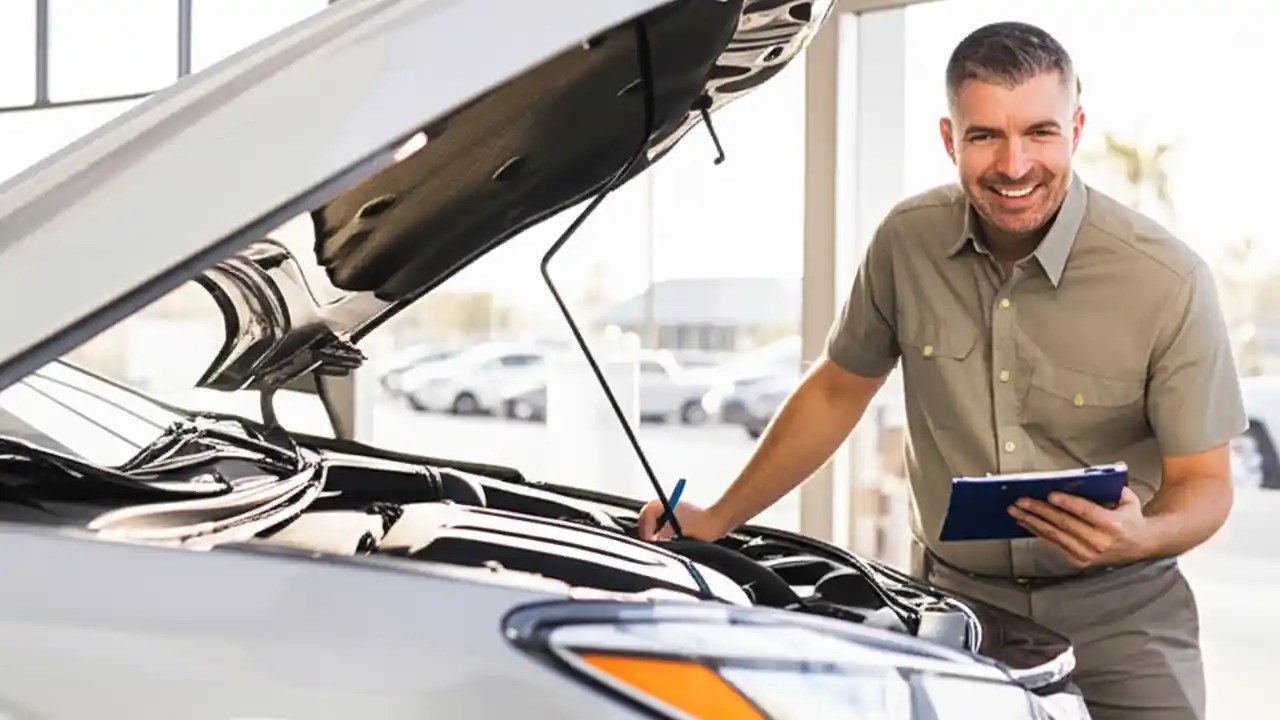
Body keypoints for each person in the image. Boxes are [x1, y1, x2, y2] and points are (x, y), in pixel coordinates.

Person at [636, 20, 1245, 720]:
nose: (1015, 165)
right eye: (985, 135)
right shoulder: (906, 242)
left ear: (1075, 127)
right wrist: (718, 516)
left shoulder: (1166, 279)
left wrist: (1144, 533)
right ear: (949, 138)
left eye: (1039, 133)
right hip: (954, 613)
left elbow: (1205, 483)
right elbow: (838, 389)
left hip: (1124, 620)